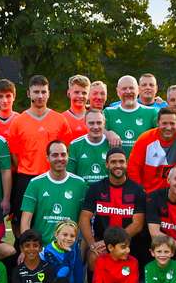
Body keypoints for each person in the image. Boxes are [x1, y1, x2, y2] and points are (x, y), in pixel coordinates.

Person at [7, 76, 72, 226]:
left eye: (43, 92)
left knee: (52, 219)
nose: (40, 96)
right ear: (29, 93)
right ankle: (21, 249)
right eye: (36, 92)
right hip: (26, 178)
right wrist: (27, 167)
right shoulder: (18, 121)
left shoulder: (60, 120)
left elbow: (65, 150)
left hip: (53, 177)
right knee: (21, 220)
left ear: (49, 93)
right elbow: (14, 154)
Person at [79, 148, 146, 269]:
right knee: (94, 256)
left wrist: (112, 243)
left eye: (121, 162)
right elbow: (84, 219)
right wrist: (92, 245)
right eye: (113, 162)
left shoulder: (137, 190)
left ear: (126, 163)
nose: (118, 165)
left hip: (128, 243)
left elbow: (138, 224)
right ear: (107, 164)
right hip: (101, 242)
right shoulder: (95, 188)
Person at [21, 140, 89, 244]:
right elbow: (26, 221)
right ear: (47, 158)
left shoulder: (80, 184)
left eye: (63, 154)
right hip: (42, 249)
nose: (60, 158)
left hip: (69, 249)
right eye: (55, 155)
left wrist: (78, 248)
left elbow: (84, 221)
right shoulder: (35, 183)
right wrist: (27, 246)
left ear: (68, 156)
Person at [127, 107, 176, 193]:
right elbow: (133, 168)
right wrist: (139, 191)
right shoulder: (145, 139)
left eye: (172, 123)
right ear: (158, 123)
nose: (168, 127)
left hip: (173, 194)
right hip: (148, 193)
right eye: (164, 123)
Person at [104, 75, 158, 155]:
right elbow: (96, 130)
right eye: (124, 88)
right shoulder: (108, 112)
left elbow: (164, 133)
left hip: (142, 165)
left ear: (138, 90)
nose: (128, 91)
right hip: (117, 165)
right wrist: (108, 133)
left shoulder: (152, 112)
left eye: (131, 88)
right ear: (118, 91)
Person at [67, 109, 109, 184]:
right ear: (85, 124)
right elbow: (70, 175)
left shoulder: (111, 143)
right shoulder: (75, 145)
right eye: (91, 123)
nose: (95, 127)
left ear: (104, 124)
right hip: (84, 192)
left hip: (105, 193)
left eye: (99, 123)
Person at [61, 75, 90, 139]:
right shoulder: (61, 119)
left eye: (84, 93)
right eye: (76, 92)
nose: (80, 96)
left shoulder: (95, 117)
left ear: (88, 95)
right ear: (69, 92)